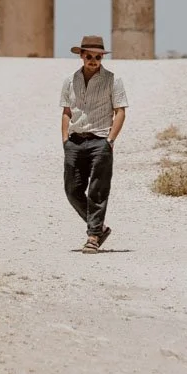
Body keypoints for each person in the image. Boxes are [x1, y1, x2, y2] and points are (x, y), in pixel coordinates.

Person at [60, 35, 127, 253]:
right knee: (72, 190)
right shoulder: (70, 80)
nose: (93, 60)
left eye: (97, 57)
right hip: (75, 141)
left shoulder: (113, 80)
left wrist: (110, 140)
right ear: (81, 56)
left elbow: (120, 111)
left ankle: (93, 237)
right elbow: (66, 112)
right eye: (89, 56)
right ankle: (100, 228)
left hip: (100, 141)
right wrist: (64, 139)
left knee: (98, 191)